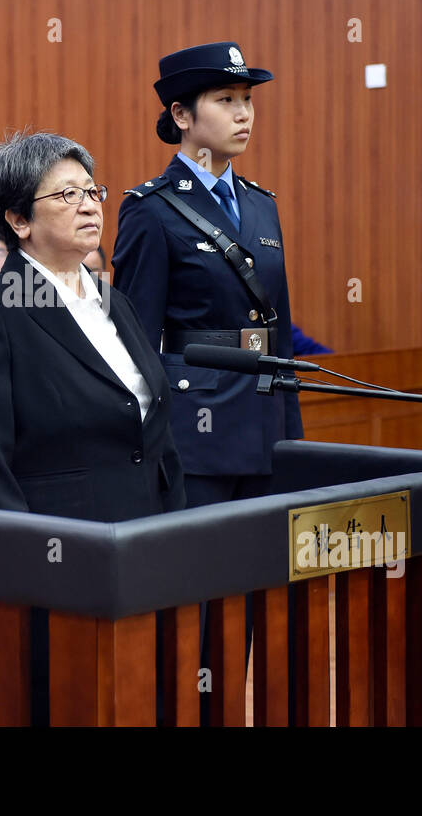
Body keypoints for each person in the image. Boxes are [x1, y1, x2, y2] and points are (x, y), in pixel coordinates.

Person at [0, 130, 185, 726]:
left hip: (147, 546)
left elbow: (151, 426)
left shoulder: (113, 302)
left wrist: (180, 525)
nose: (90, 205)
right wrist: (32, 572)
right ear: (18, 220)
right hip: (59, 564)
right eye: (68, 194)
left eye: (93, 190)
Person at [113, 41, 302, 509]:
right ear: (181, 116)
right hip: (195, 430)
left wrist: (293, 436)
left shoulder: (262, 204)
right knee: (202, 577)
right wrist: (147, 448)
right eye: (226, 100)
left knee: (268, 574)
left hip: (267, 422)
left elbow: (280, 331)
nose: (245, 115)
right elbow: (134, 341)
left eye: (248, 99)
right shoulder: (151, 211)